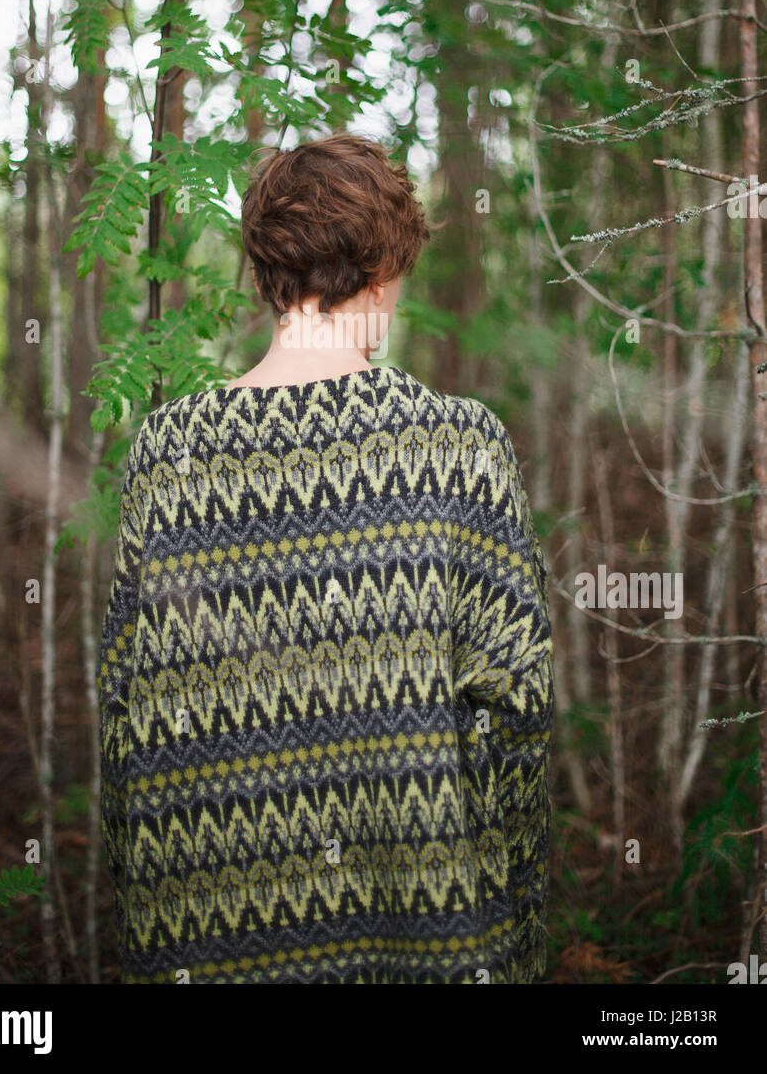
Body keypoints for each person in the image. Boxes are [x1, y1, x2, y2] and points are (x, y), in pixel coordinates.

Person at [98, 132, 553, 984]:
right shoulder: (459, 448)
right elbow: (514, 710)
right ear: (384, 270)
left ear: (269, 271)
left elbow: (125, 714)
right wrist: (514, 930)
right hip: (425, 940)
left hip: (208, 943)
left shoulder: (165, 455)